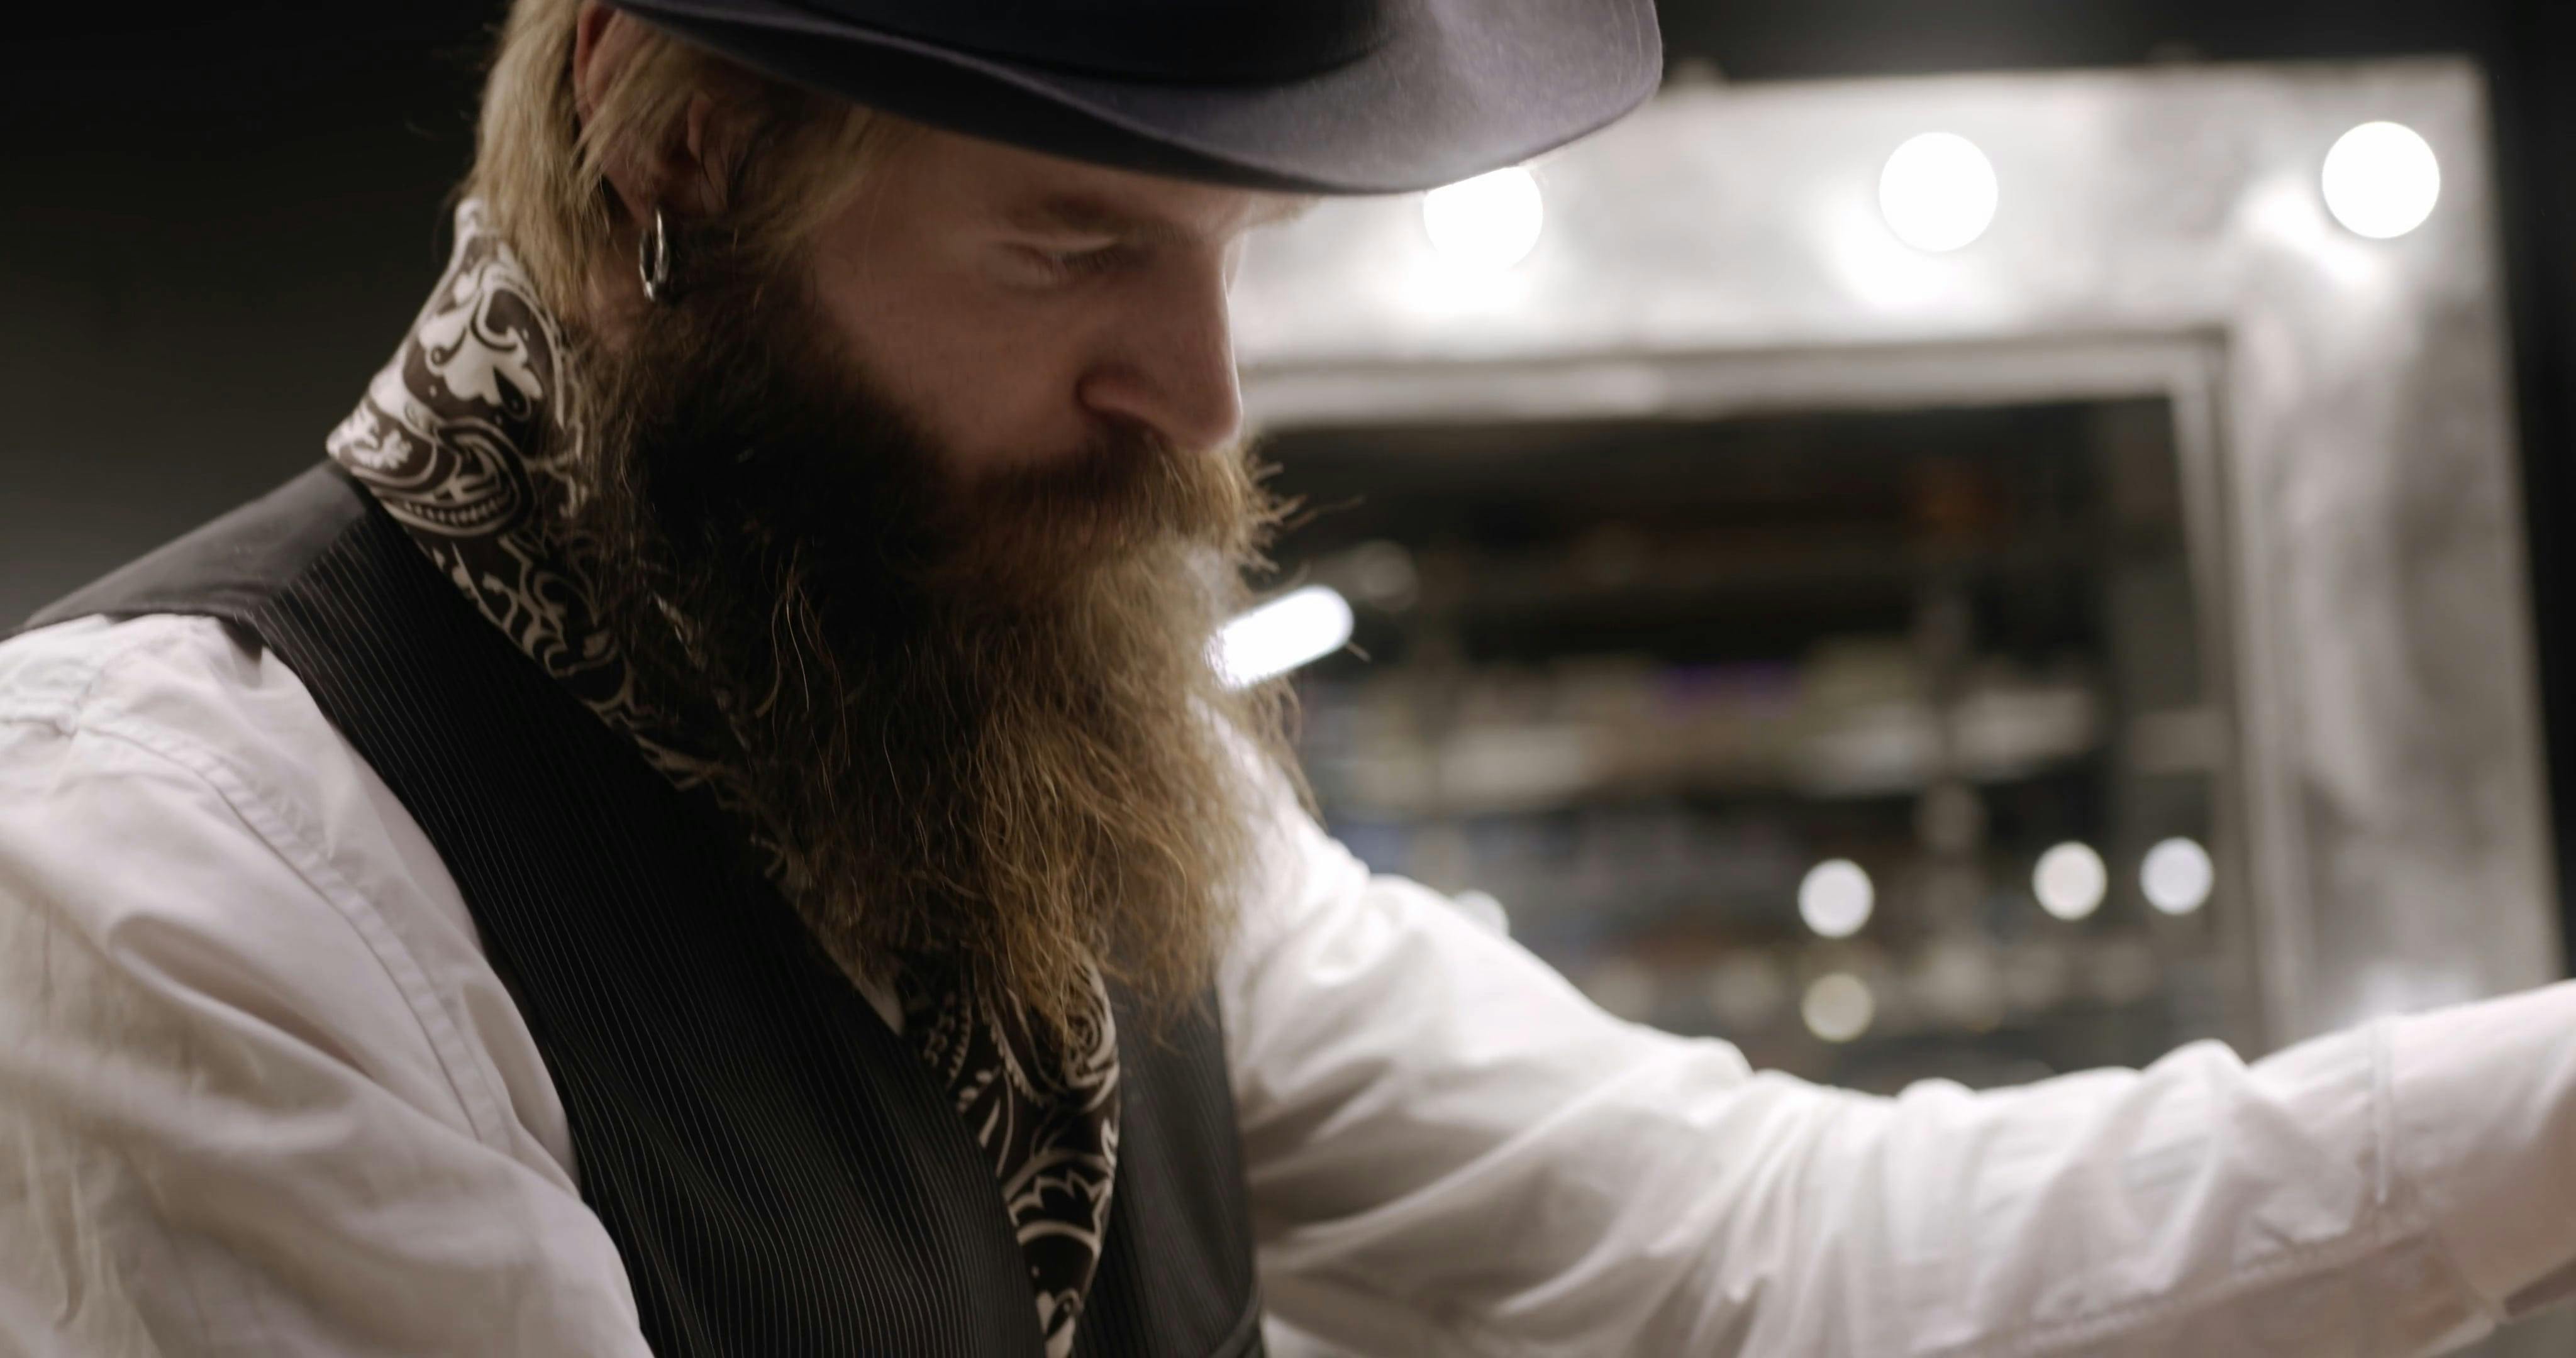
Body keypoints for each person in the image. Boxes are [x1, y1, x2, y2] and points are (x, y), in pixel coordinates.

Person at [1, 1, 2572, 1354]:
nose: (1201, 402)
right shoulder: (180, 894)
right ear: (667, 143)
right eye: (1073, 242)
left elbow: (1758, 1259)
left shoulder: (1010, 776)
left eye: (1233, 249)